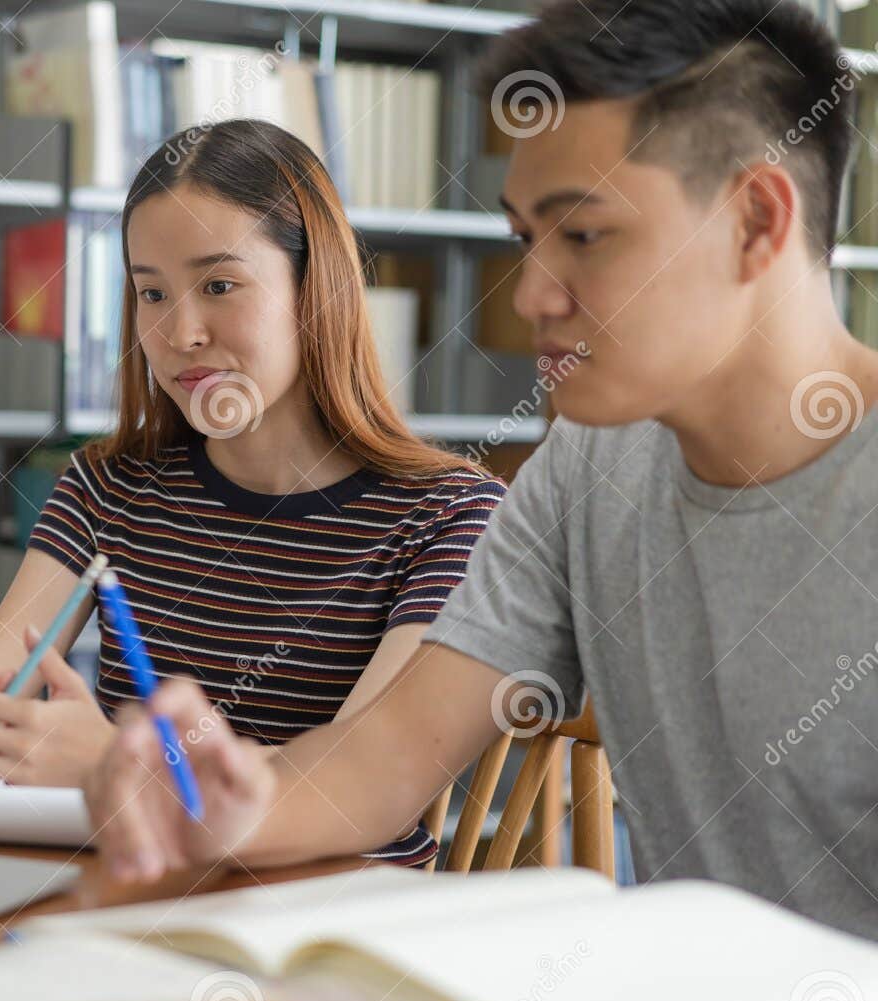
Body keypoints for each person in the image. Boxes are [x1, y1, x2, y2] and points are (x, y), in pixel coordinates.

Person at [87, 0, 878, 938]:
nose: (533, 295)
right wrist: (232, 799)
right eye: (522, 240)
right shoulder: (590, 463)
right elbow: (375, 767)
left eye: (582, 235)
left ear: (756, 220)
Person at [0, 119, 505, 866]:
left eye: (219, 284)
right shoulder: (105, 487)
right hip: (138, 899)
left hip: (323, 923)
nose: (179, 331)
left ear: (314, 288)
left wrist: (121, 767)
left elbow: (360, 785)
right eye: (151, 292)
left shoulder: (450, 516)